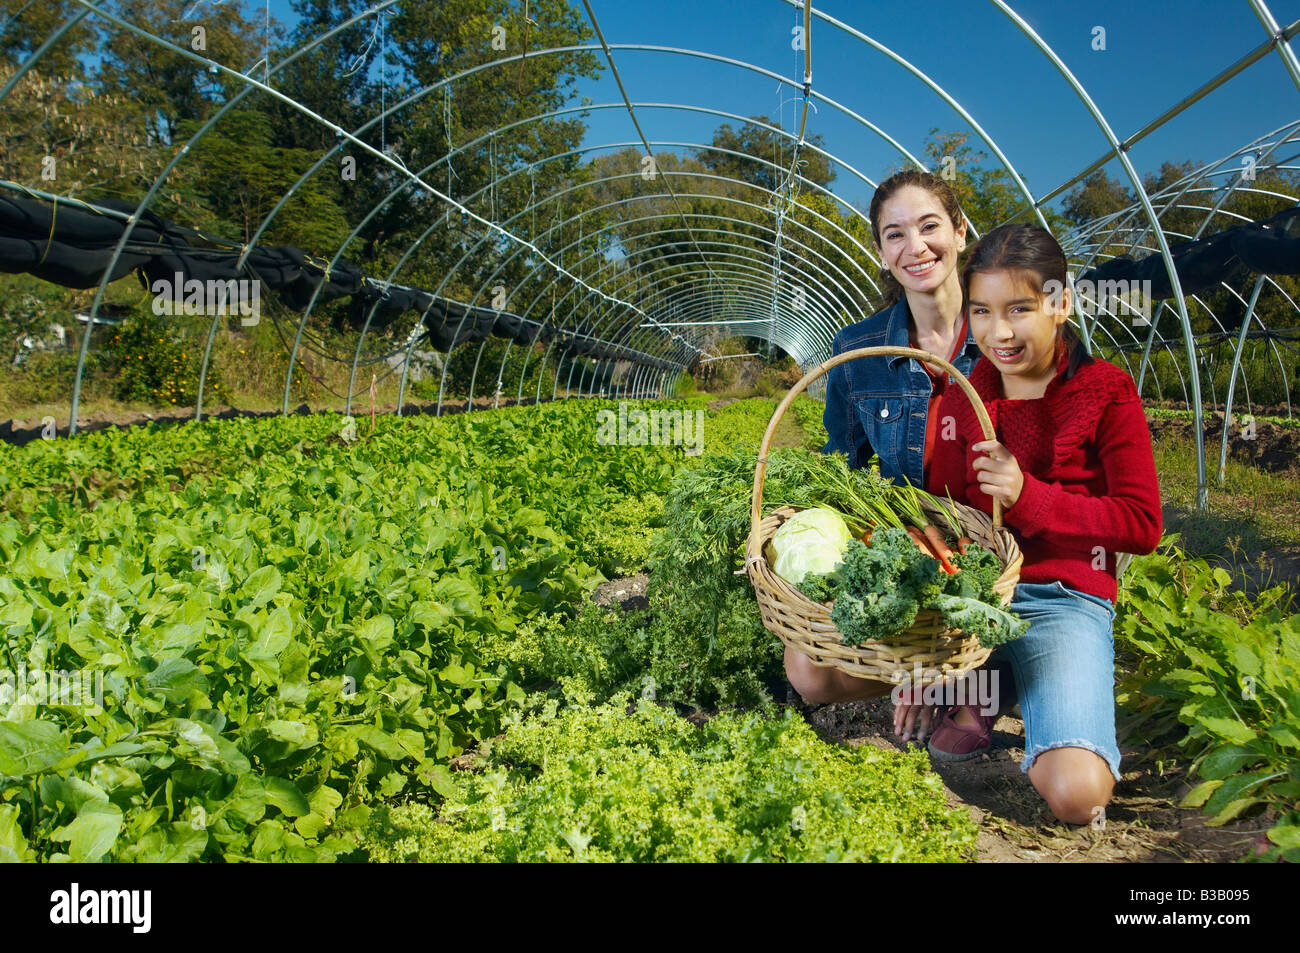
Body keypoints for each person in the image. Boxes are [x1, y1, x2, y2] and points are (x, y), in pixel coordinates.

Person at [921, 223, 1163, 824]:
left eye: (1019, 309)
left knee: (1077, 794)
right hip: (975, 597)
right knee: (819, 672)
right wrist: (921, 660)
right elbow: (939, 514)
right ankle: (994, 683)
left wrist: (1031, 497)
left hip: (1064, 598)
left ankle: (1030, 690)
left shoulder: (1106, 390)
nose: (997, 332)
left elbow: (1141, 523)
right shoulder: (960, 399)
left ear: (1060, 304)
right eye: (981, 310)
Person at [784, 169, 988, 714]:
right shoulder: (858, 352)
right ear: (880, 251)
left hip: (1008, 556)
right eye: (895, 234)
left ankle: (972, 678)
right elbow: (839, 467)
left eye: (929, 226)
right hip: (917, 557)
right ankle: (930, 673)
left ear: (961, 232)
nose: (915, 246)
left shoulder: (1008, 336)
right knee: (806, 670)